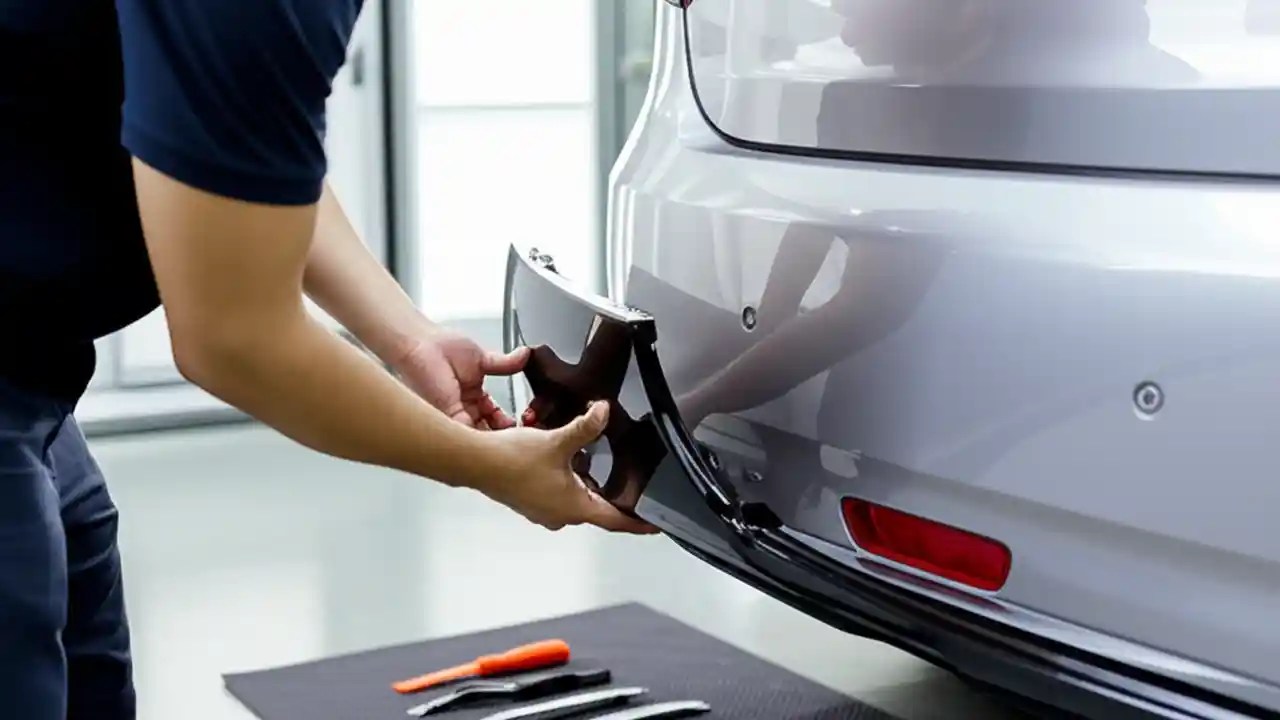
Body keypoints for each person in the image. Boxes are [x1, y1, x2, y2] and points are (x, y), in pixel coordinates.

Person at [0, 1, 653, 718]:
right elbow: (235, 341)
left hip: (36, 367)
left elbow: (234, 148)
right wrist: (491, 468)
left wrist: (409, 340)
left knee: (86, 658)